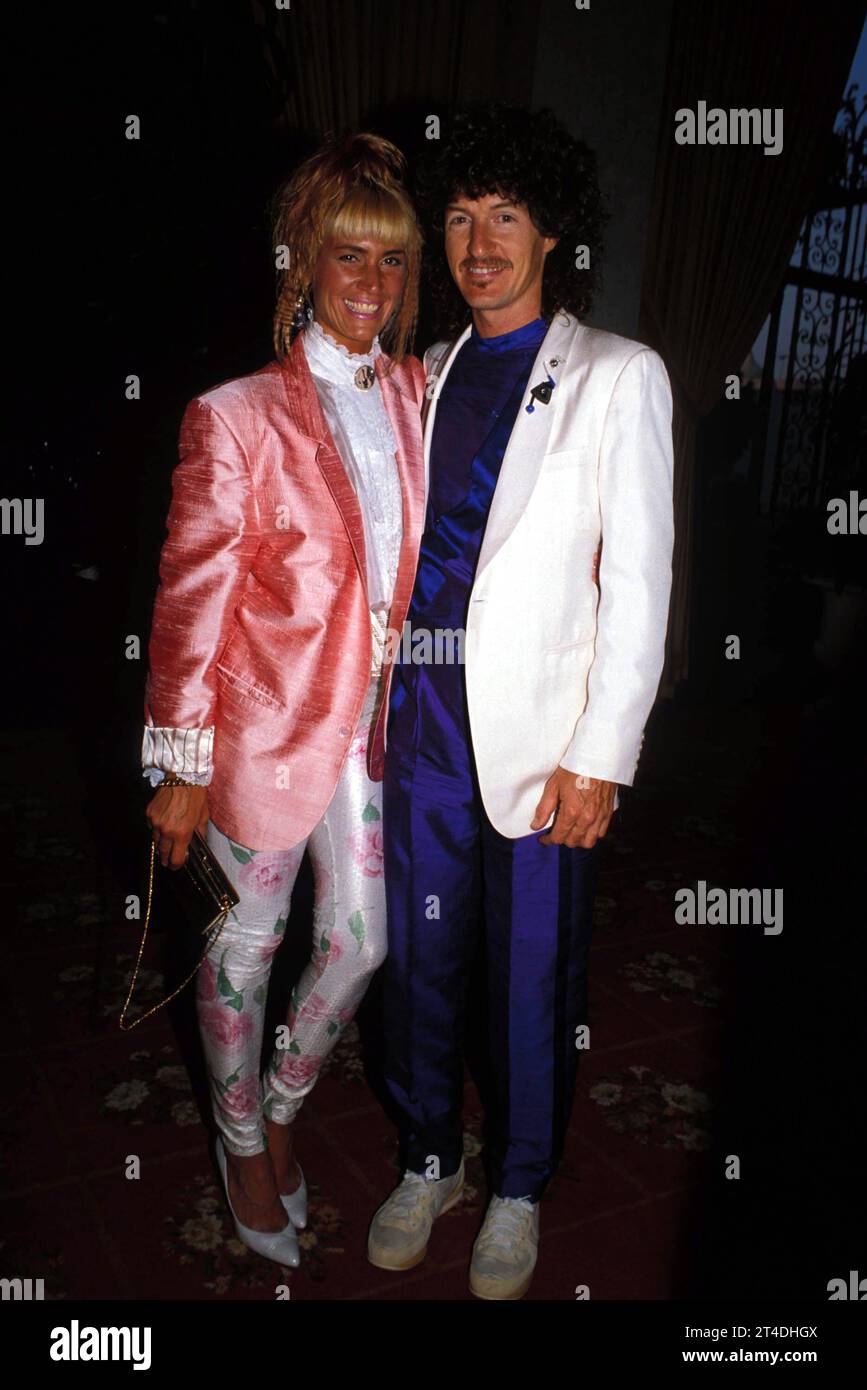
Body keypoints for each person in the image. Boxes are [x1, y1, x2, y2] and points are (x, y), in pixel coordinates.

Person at [367, 104, 674, 1299]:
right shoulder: (423, 376)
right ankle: (428, 1155)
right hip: (420, 734)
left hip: (544, 742)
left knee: (532, 974)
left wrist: (604, 753)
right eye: (457, 214)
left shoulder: (618, 375)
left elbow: (641, 586)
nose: (479, 239)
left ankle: (519, 1187)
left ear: (551, 234)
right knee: (421, 968)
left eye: (505, 215)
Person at [143, 133, 425, 1267]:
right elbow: (187, 601)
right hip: (255, 736)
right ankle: (241, 1137)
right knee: (245, 947)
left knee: (363, 944)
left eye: (395, 261)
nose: (371, 282)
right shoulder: (238, 414)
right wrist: (179, 763)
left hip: (372, 734)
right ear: (302, 263)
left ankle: (286, 1101)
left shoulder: (415, 396)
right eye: (348, 255)